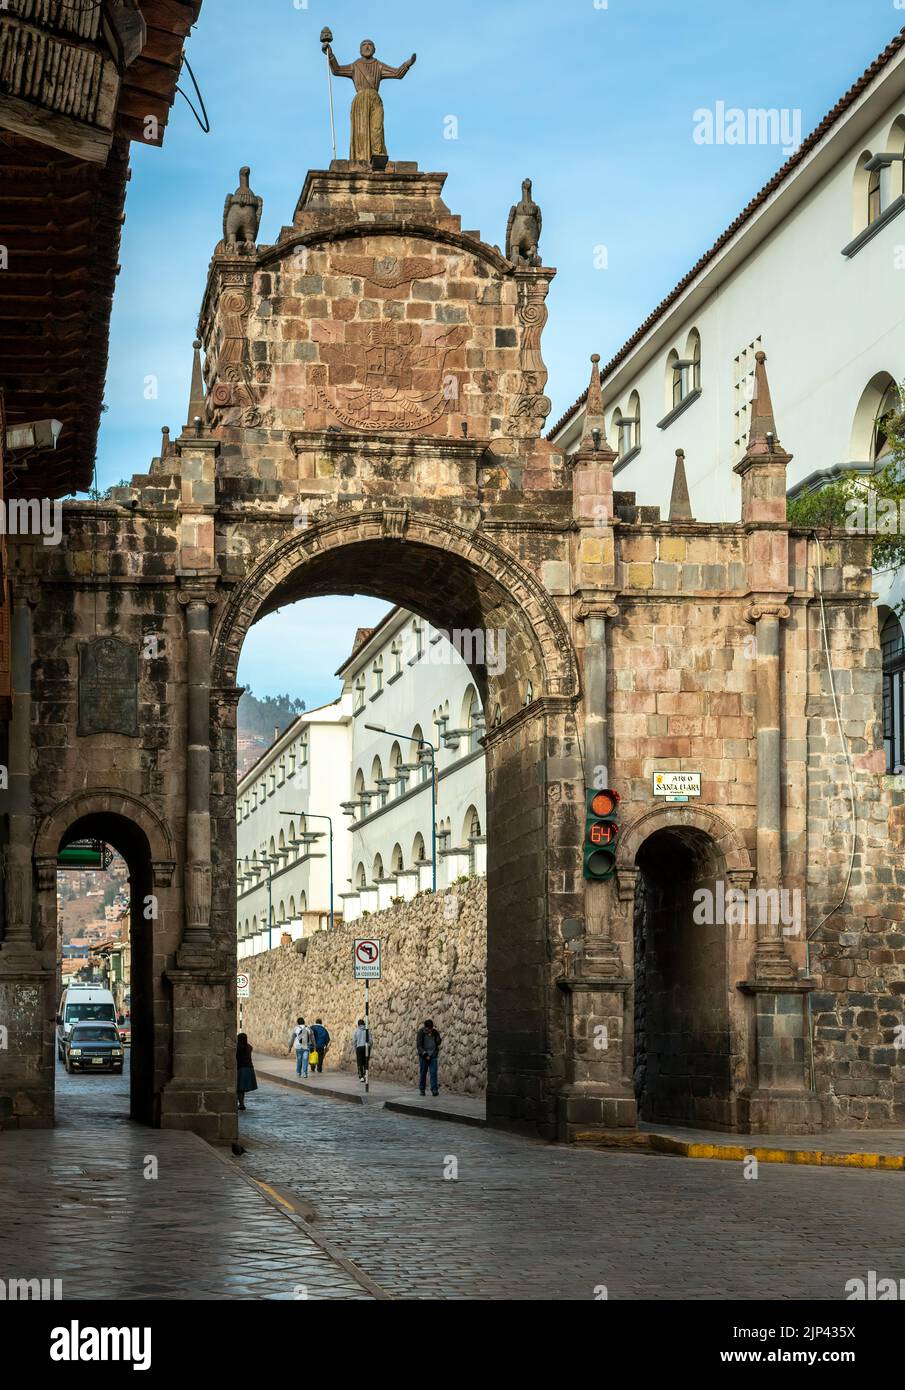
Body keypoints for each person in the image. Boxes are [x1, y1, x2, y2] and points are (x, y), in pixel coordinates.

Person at [416, 1018, 441, 1097]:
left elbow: (438, 1042)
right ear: (425, 1027)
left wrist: (437, 1038)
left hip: (433, 1055)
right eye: (428, 1028)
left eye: (431, 1028)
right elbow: (419, 1046)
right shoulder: (421, 1033)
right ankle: (422, 1089)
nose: (430, 1030)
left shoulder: (435, 1032)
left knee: (433, 1073)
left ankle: (434, 1089)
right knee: (423, 1073)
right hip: (424, 1056)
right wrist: (425, 1054)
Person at [236, 1032, 257, 1111]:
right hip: (249, 1068)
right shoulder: (249, 1047)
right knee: (241, 1089)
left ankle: (241, 1104)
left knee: (239, 1089)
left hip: (241, 1069)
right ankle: (241, 1104)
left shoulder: (238, 1047)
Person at [353, 1018, 371, 1082]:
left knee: (359, 1062)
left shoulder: (356, 1031)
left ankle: (361, 1077)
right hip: (366, 1047)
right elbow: (370, 1041)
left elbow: (354, 1041)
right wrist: (370, 1047)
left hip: (359, 1048)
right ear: (364, 1024)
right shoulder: (367, 1030)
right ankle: (366, 1074)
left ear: (358, 1024)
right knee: (366, 1061)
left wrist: (355, 1049)